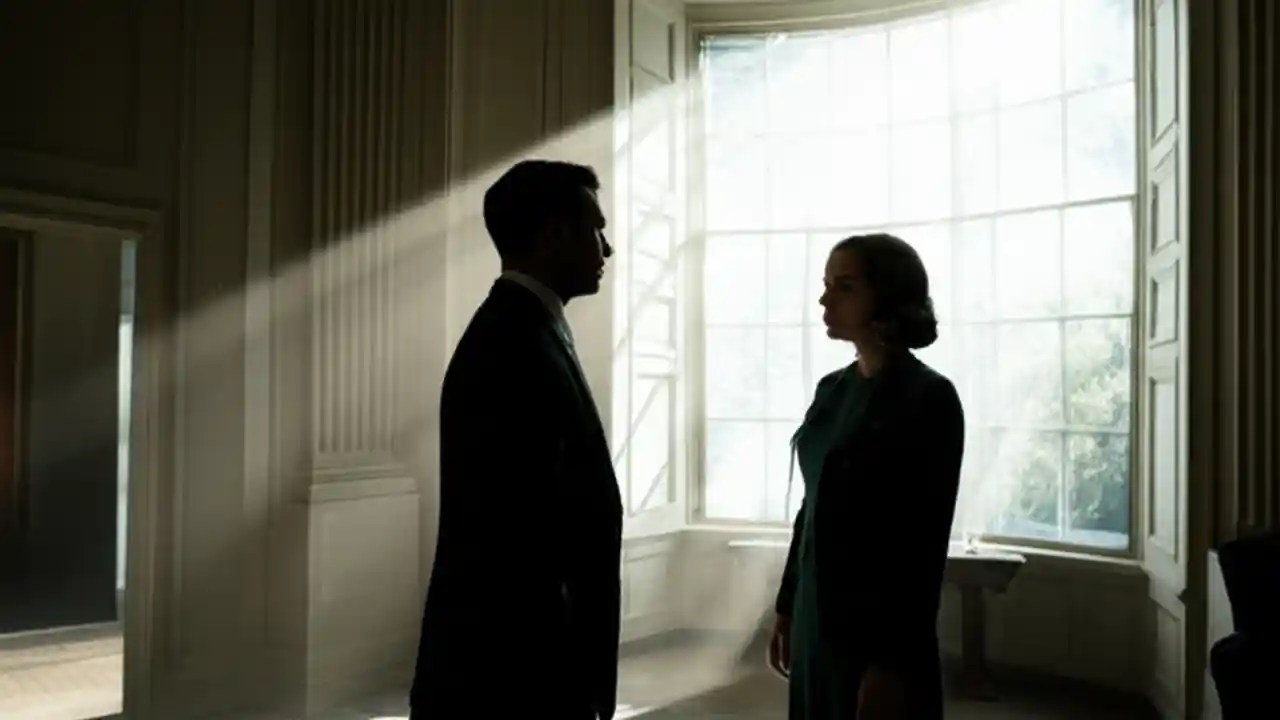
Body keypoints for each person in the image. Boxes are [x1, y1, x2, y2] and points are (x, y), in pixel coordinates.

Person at [410, 160, 622, 719]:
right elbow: (516, 533)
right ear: (553, 235)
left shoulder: (526, 327)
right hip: (515, 671)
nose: (608, 249)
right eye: (596, 230)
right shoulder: (512, 341)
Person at [766, 233, 966, 720]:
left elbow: (922, 544)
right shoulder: (831, 389)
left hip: (876, 626)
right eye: (826, 284)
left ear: (888, 296)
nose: (825, 298)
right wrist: (788, 604)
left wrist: (892, 664)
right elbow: (810, 508)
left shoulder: (928, 397)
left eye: (845, 286)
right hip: (817, 611)